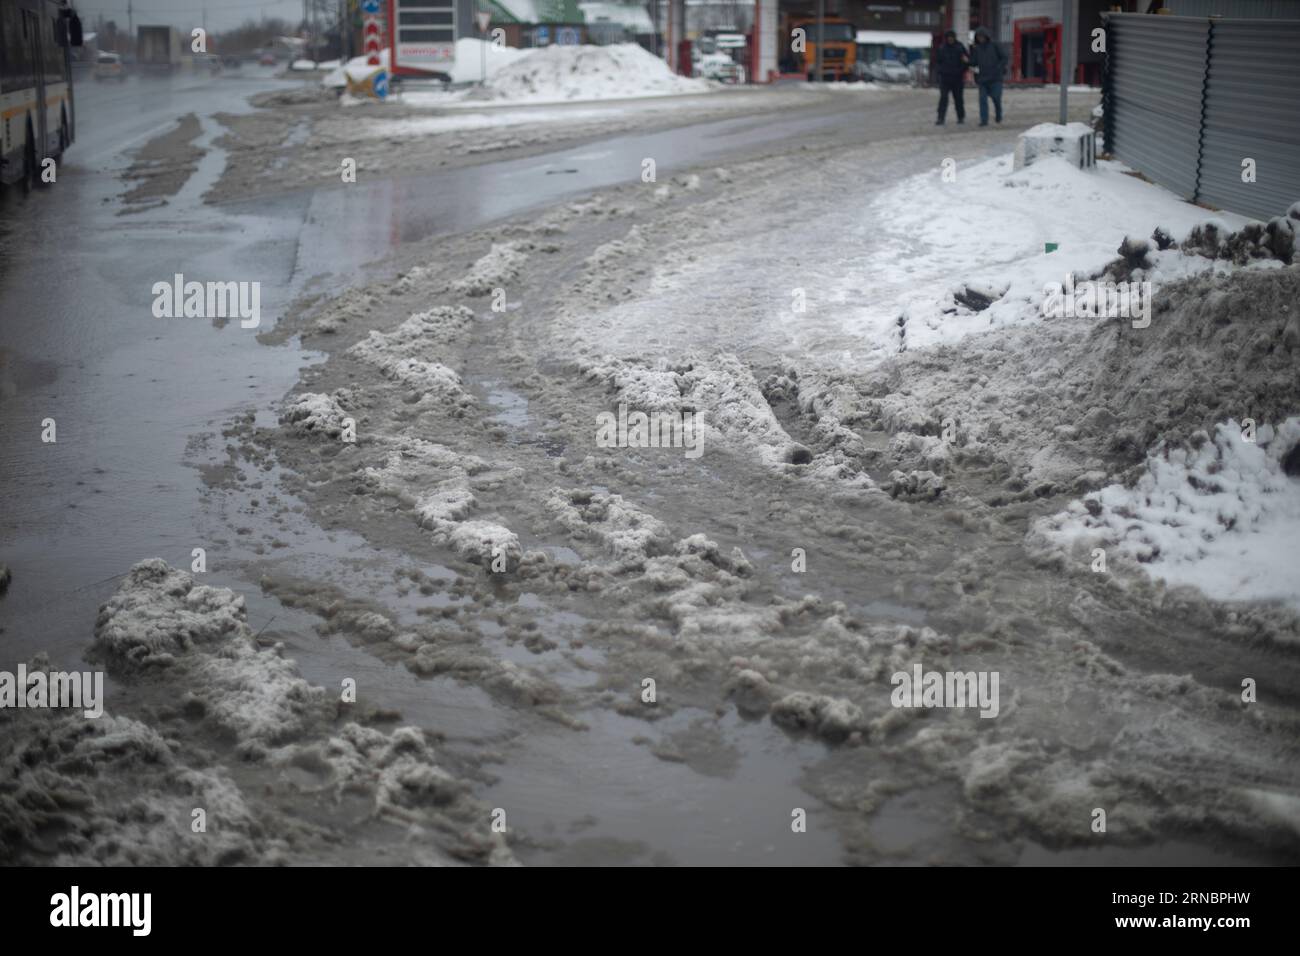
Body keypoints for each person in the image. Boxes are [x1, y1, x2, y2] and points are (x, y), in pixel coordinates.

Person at [970, 26, 1006, 126]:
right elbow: (973, 62)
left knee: (996, 98)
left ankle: (998, 114)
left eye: (982, 36)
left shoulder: (995, 45)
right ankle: (984, 120)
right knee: (982, 100)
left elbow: (1004, 57)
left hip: (995, 78)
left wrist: (999, 68)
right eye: (978, 37)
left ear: (986, 36)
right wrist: (967, 60)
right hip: (983, 79)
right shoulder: (977, 49)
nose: (980, 39)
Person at [934, 30, 968, 126]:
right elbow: (938, 61)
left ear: (954, 37)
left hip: (957, 78)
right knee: (943, 98)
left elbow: (966, 61)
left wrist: (961, 71)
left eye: (951, 37)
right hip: (945, 78)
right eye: (948, 37)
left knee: (958, 99)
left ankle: (960, 117)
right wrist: (940, 72)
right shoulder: (942, 48)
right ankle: (941, 118)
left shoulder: (960, 47)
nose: (950, 39)